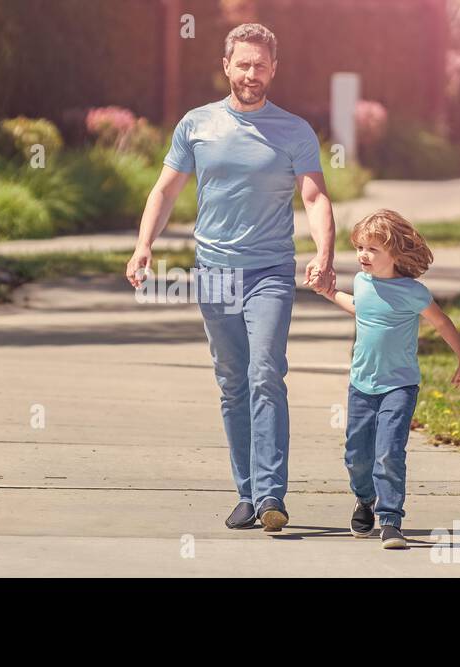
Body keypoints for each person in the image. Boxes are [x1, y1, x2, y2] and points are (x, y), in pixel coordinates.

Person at [124, 23, 338, 532]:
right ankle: (246, 493)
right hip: (215, 273)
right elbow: (165, 191)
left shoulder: (294, 131)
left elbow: (314, 197)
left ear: (273, 69)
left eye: (260, 65)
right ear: (226, 66)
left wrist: (324, 253)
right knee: (232, 382)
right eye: (243, 64)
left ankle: (270, 496)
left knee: (266, 372)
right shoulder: (196, 125)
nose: (251, 73)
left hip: (270, 272)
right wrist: (143, 245)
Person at [313, 209, 460, 549]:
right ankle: (365, 499)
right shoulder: (361, 282)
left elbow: (442, 322)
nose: (363, 255)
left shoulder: (413, 292)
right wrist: (329, 293)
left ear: (395, 254)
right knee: (356, 454)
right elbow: (361, 308)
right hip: (361, 385)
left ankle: (390, 520)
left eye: (372, 249)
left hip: (399, 386)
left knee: (388, 452)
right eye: (360, 248)